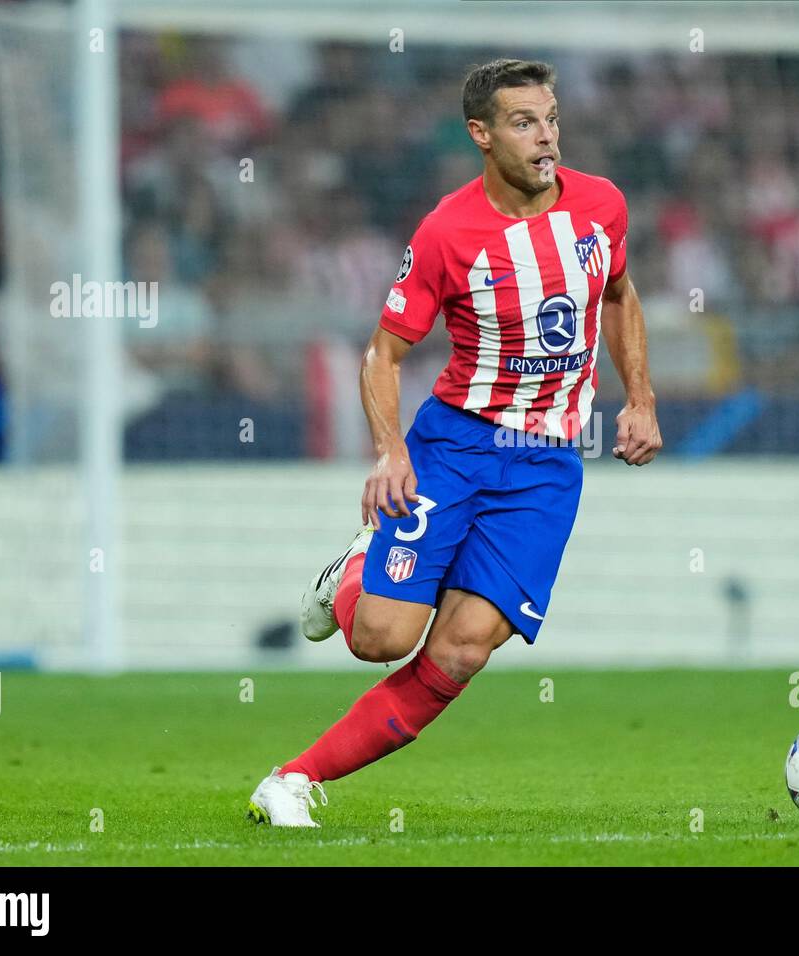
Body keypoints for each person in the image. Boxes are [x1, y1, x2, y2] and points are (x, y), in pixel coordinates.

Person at [248, 58, 662, 827]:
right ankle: (354, 571)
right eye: (523, 123)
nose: (546, 140)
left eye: (551, 120)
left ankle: (293, 780)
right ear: (481, 134)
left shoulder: (602, 206)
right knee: (380, 638)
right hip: (454, 448)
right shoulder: (448, 231)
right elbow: (383, 352)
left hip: (547, 464)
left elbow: (620, 294)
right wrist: (390, 453)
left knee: (464, 649)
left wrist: (640, 398)